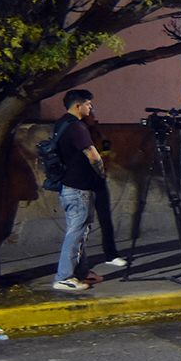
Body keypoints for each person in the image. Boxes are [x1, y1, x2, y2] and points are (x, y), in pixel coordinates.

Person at [52, 89, 105, 291]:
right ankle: (64, 276)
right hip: (79, 187)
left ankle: (81, 272)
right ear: (77, 105)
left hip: (69, 185)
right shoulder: (77, 128)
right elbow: (93, 155)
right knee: (76, 232)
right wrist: (101, 173)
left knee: (80, 231)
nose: (91, 108)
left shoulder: (62, 124)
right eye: (88, 104)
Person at [85, 110, 126, 267]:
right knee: (82, 223)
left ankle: (111, 254)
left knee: (105, 219)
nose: (93, 117)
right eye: (91, 114)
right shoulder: (79, 132)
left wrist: (107, 155)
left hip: (99, 180)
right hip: (85, 181)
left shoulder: (96, 131)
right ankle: (78, 260)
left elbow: (104, 149)